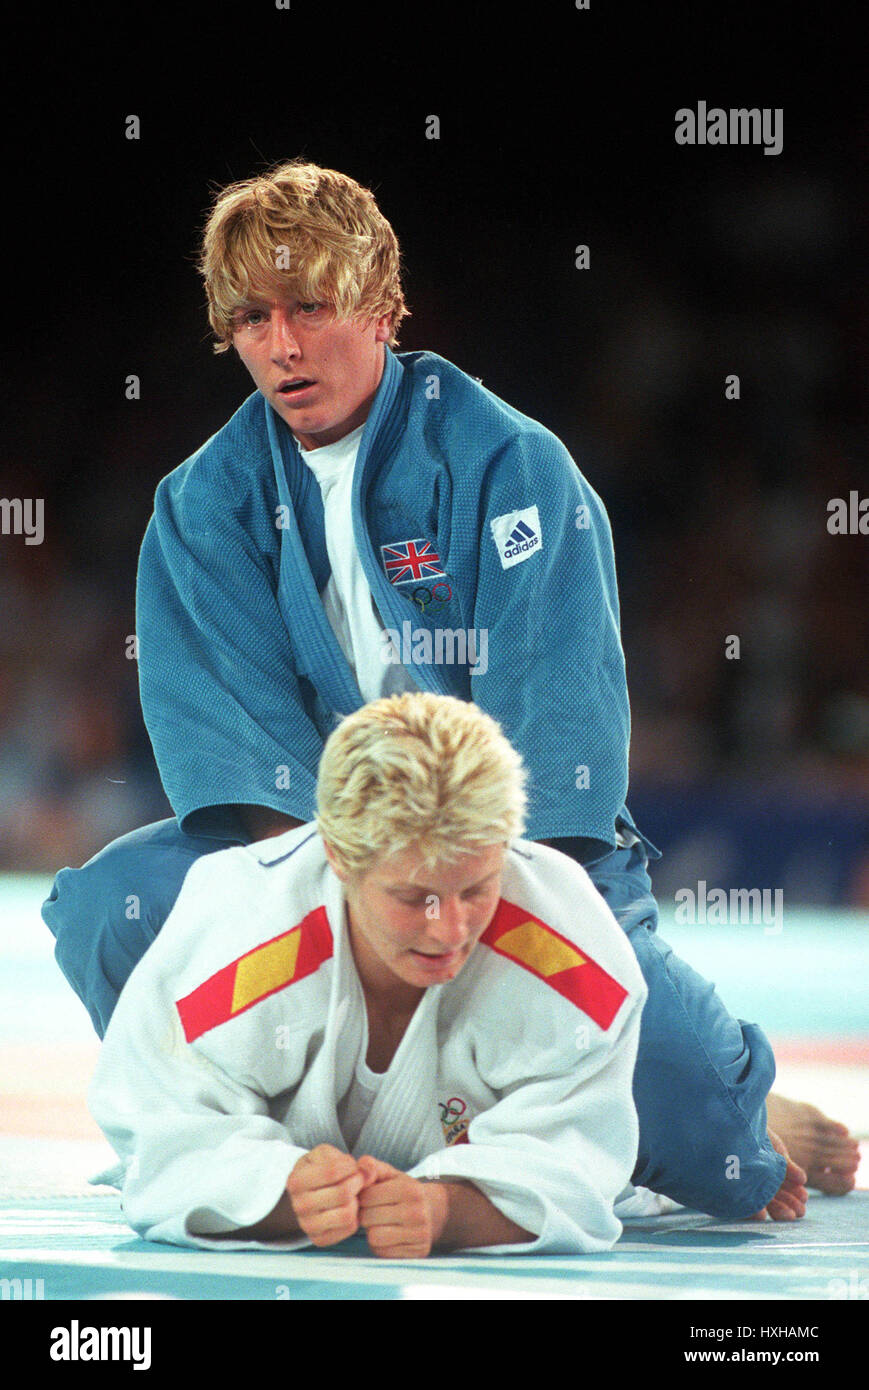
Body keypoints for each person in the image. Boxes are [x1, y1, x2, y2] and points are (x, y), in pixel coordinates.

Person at [44, 159, 858, 1218]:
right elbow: (243, 796)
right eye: (249, 317)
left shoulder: (509, 467)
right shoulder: (202, 505)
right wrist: (365, 916)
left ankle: (743, 1104)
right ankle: (309, 1132)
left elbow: (554, 766)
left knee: (693, 1112)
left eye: (310, 307)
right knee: (114, 905)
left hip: (508, 864)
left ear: (382, 308)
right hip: (317, 865)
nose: (281, 346)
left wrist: (447, 898)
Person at [89, 692, 654, 1255]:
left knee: (693, 1100)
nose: (450, 929)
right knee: (97, 903)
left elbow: (580, 1161)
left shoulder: (571, 951)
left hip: (641, 1121)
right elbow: (161, 1130)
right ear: (337, 855)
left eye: (477, 888)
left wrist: (447, 1212)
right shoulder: (242, 931)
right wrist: (281, 1196)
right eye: (414, 897)